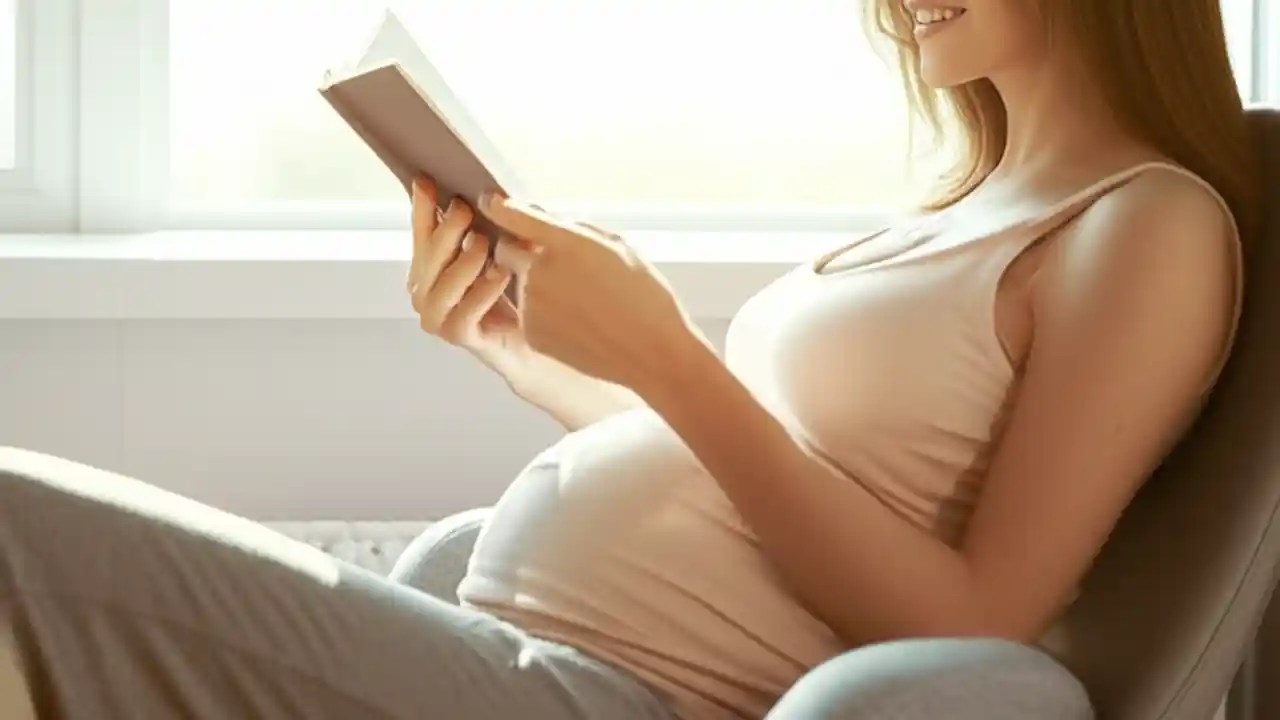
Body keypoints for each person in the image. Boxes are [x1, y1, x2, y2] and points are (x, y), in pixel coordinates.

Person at [0, 1, 1259, 718]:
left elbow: (978, 619)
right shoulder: (962, 205)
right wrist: (538, 360)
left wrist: (666, 358)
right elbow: (760, 493)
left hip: (601, 699)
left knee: (21, 535)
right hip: (518, 659)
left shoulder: (1145, 225)